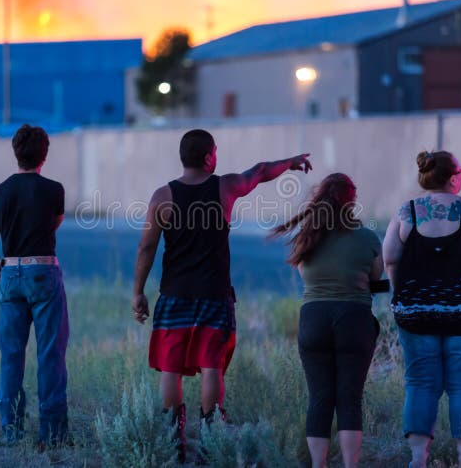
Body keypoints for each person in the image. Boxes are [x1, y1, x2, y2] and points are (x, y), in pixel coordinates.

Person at [131, 129, 312, 462]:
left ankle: (173, 441)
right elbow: (259, 172)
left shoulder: (162, 196)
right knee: (211, 366)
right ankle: (211, 436)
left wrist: (138, 292)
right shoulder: (224, 187)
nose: (217, 156)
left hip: (174, 295)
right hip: (215, 296)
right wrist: (291, 162)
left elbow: (146, 247)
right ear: (207, 157)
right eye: (215, 151)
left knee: (171, 368)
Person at [382, 151, 461, 468]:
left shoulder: (407, 212)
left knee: (420, 383)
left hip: (416, 313)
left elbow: (390, 259)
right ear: (453, 178)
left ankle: (417, 459)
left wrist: (403, 293)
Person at [271, 173, 383, 468]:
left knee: (320, 398)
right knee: (349, 400)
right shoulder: (368, 238)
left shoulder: (307, 238)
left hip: (314, 319)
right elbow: (376, 275)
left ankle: (318, 464)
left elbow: (304, 274)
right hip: (354, 319)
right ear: (352, 201)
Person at [0, 124, 69, 450]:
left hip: (10, 273)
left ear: (15, 152)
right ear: (44, 155)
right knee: (51, 353)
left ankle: (12, 431)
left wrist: (3, 277)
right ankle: (53, 433)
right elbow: (52, 227)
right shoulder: (54, 191)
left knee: (11, 356)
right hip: (43, 271)